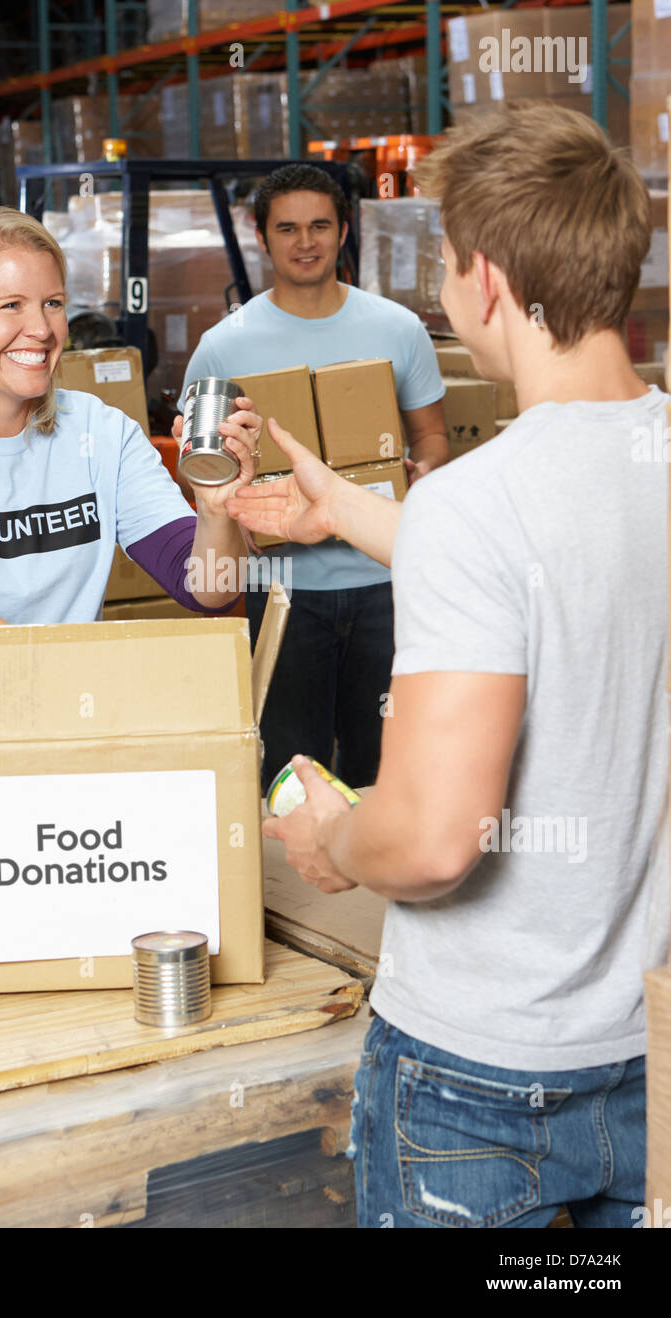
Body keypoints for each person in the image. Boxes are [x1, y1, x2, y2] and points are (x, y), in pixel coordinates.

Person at [228, 100, 669, 1228]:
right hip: (648, 1055)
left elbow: (428, 845)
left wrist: (328, 833)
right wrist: (343, 511)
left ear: (480, 275)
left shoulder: (479, 505)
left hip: (480, 1084)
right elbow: (571, 572)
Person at [0, 205, 262, 625]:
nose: (41, 329)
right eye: (11, 305)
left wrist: (214, 511)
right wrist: (45, 679)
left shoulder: (103, 433)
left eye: (53, 303)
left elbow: (208, 592)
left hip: (75, 689)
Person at [178, 163, 448, 791]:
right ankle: (293, 893)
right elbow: (200, 471)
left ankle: (378, 889)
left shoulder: (397, 328)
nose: (306, 242)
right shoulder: (224, 346)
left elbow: (432, 434)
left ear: (344, 230)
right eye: (289, 228)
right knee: (288, 776)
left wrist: (426, 471)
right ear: (262, 237)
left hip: (387, 583)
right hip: (281, 590)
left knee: (388, 767)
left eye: (321, 225)